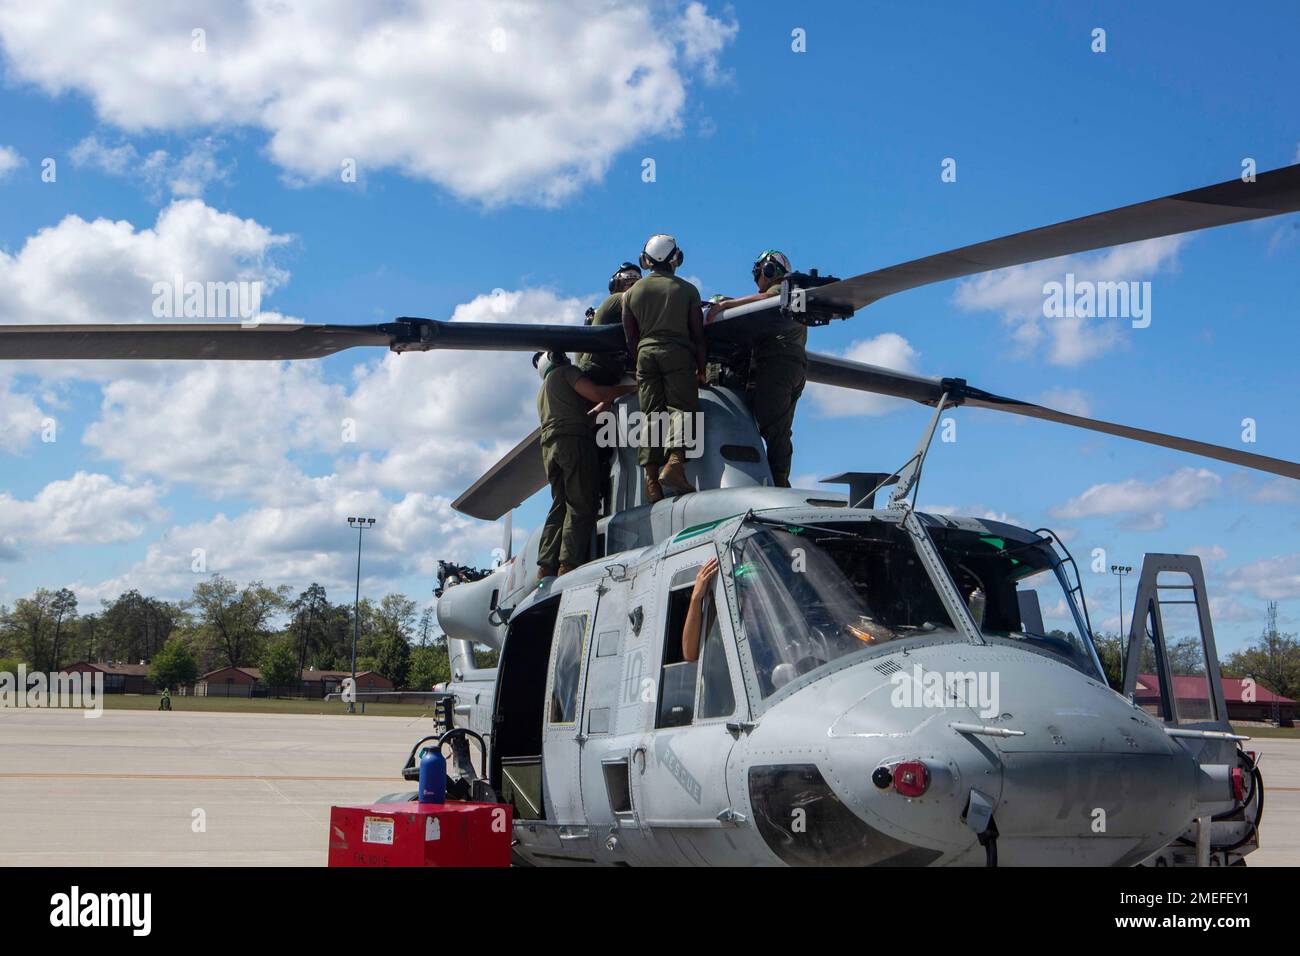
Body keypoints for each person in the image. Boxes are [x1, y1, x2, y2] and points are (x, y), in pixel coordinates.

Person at [707, 249, 805, 487]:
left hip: (777, 368)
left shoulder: (782, 290)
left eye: (758, 274)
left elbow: (767, 299)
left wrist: (728, 306)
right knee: (779, 429)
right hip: (794, 368)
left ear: (770, 271)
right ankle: (779, 480)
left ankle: (780, 483)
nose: (757, 282)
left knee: (773, 429)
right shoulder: (790, 297)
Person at [535, 350, 635, 579]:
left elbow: (581, 417)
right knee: (581, 503)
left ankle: (545, 565)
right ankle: (568, 564)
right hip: (574, 443)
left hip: (550, 448)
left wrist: (603, 405)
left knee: (560, 504)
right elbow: (597, 392)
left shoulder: (543, 391)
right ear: (556, 359)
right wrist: (630, 389)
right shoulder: (564, 373)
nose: (571, 359)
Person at [622, 234, 707, 502]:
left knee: (651, 415)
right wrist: (701, 367)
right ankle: (674, 463)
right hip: (677, 353)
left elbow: (630, 336)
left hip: (645, 355)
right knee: (682, 408)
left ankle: (651, 481)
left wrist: (640, 360)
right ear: (676, 259)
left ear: (645, 260)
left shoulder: (632, 293)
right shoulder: (687, 290)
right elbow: (698, 334)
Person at [576, 261, 641, 386]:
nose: (635, 289)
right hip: (596, 371)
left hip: (610, 373)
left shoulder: (627, 311)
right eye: (631, 284)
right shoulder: (617, 299)